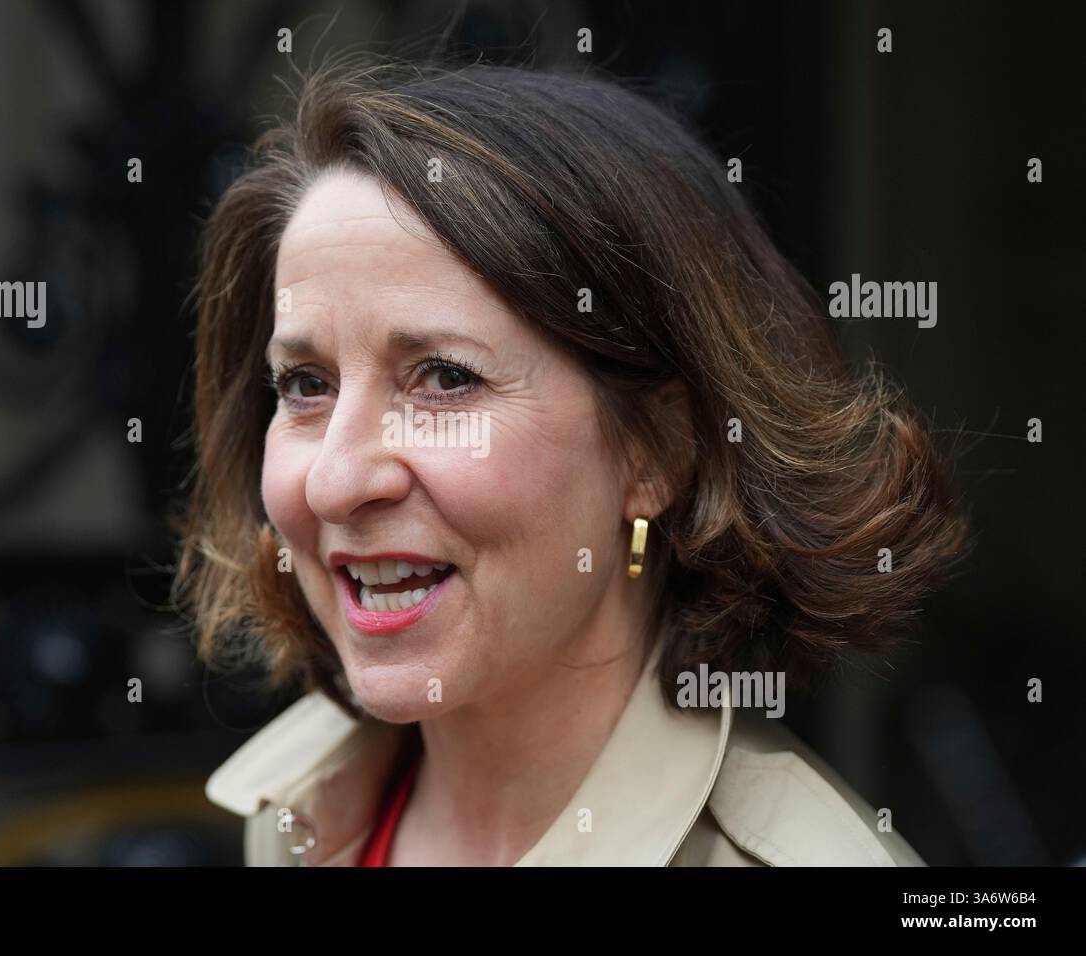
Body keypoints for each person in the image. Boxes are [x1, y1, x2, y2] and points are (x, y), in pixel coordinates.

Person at [174, 54, 970, 866]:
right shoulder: (298, 815)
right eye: (305, 384)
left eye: (445, 379)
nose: (336, 481)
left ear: (657, 450)